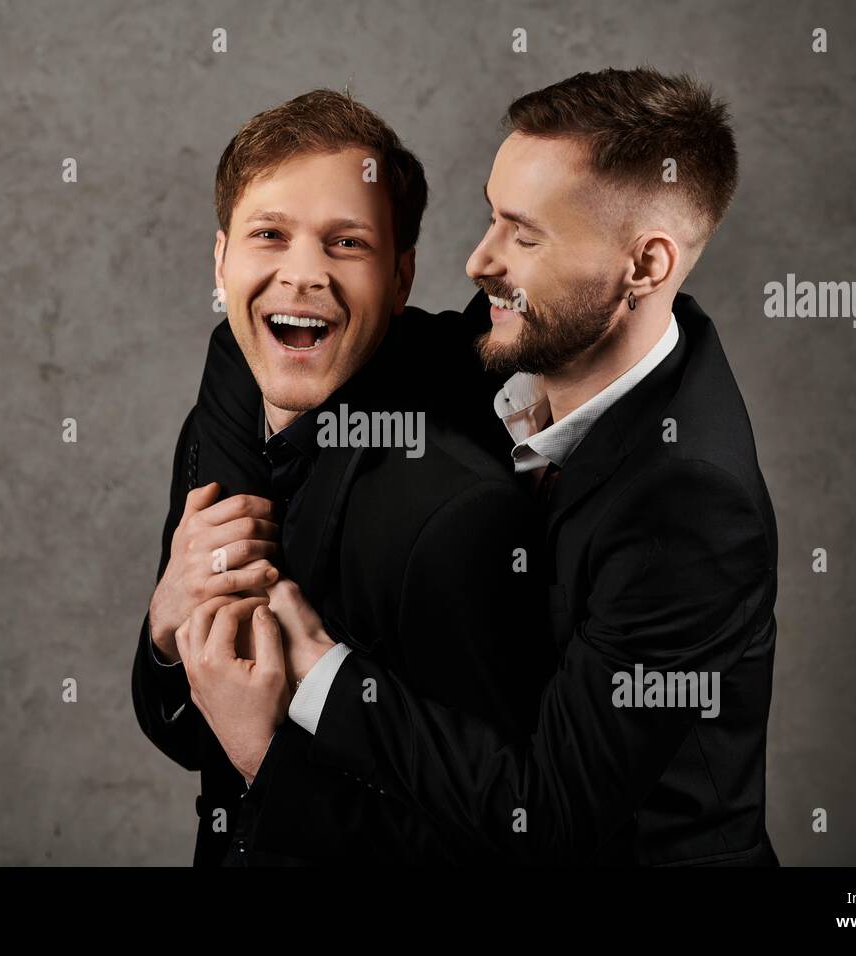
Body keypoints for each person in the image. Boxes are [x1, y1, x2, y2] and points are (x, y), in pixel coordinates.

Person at [181, 68, 781, 866]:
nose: (477, 260)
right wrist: (221, 567)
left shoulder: (693, 507)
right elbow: (250, 345)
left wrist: (318, 678)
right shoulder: (514, 337)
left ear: (645, 267)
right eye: (492, 217)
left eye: (524, 236)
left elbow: (547, 810)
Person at [132, 89, 554, 865]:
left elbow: (495, 842)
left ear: (401, 279)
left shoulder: (456, 515)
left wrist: (266, 753)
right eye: (269, 236)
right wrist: (166, 631)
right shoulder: (219, 419)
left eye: (346, 244)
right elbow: (194, 735)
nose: (302, 276)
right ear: (220, 263)